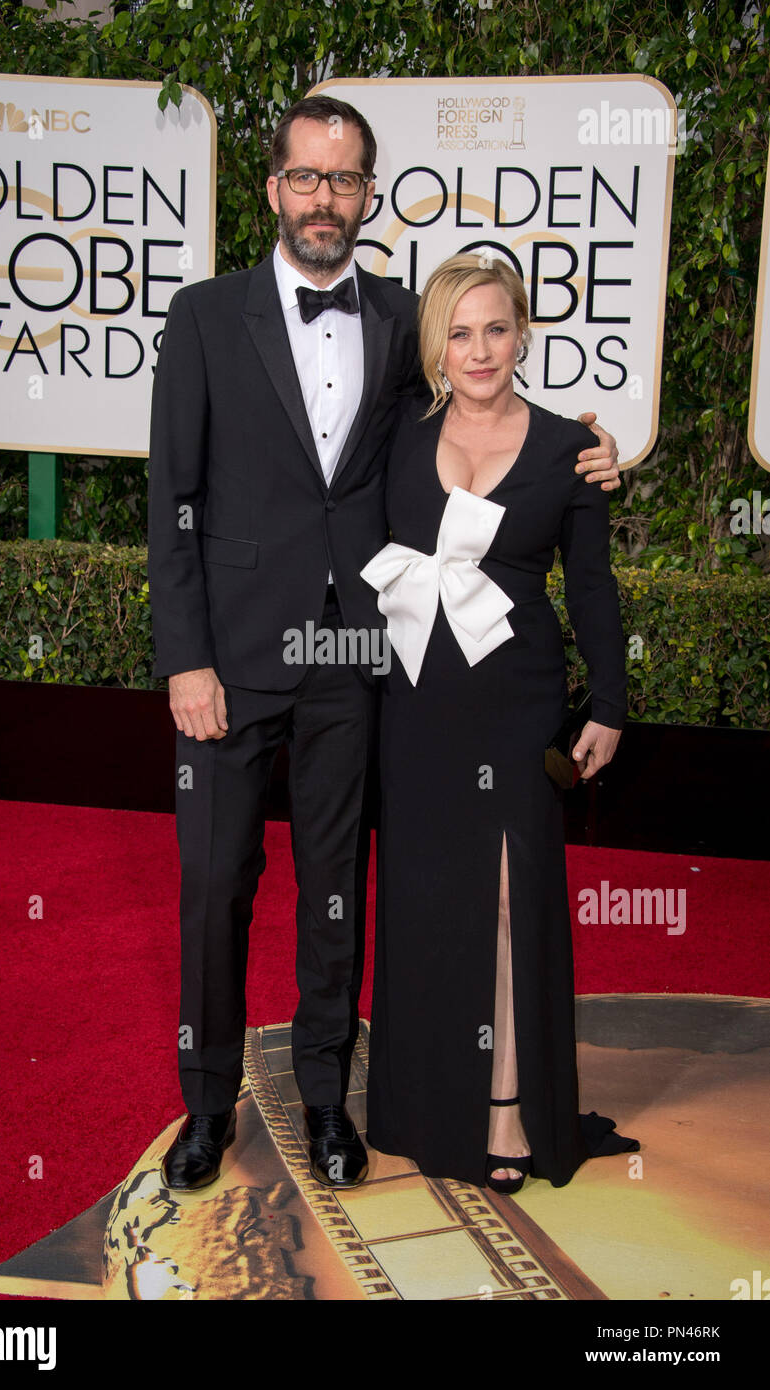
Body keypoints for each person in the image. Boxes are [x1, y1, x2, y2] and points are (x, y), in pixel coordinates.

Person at [146, 96, 622, 1195]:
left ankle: (325, 1100)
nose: (324, 199)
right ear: (272, 189)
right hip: (227, 660)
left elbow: (488, 422)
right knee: (214, 883)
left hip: (357, 658)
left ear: (369, 194)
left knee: (335, 888)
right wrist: (185, 658)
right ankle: (206, 1105)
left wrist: (594, 452)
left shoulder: (411, 320)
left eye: (345, 180)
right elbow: (170, 495)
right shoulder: (206, 315)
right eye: (305, 178)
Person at [361, 253, 639, 1193]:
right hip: (413, 703)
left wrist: (607, 703)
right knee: (427, 899)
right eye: (459, 330)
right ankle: (424, 1103)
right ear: (436, 344)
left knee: (510, 902)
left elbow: (592, 588)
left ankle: (508, 1109)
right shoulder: (398, 432)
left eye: (495, 327)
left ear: (522, 332)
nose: (478, 349)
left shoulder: (569, 447)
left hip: (515, 704)